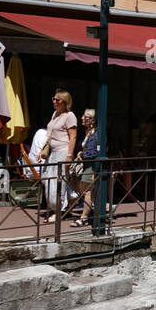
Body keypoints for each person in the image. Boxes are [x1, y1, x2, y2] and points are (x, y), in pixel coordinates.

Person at [41, 89, 77, 221]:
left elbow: (73, 137)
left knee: (58, 182)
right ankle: (59, 206)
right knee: (47, 180)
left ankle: (58, 211)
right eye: (53, 99)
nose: (54, 102)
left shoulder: (70, 116)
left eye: (58, 100)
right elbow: (50, 135)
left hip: (62, 152)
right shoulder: (55, 114)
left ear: (65, 102)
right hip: (52, 153)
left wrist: (69, 155)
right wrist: (43, 150)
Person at [71, 109, 101, 227]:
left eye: (86, 117)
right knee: (82, 188)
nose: (83, 118)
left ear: (93, 120)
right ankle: (92, 208)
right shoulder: (88, 131)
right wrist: (81, 154)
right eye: (83, 116)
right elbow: (87, 148)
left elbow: (97, 151)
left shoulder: (97, 133)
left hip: (92, 165)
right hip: (86, 164)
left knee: (87, 190)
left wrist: (95, 169)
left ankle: (83, 218)